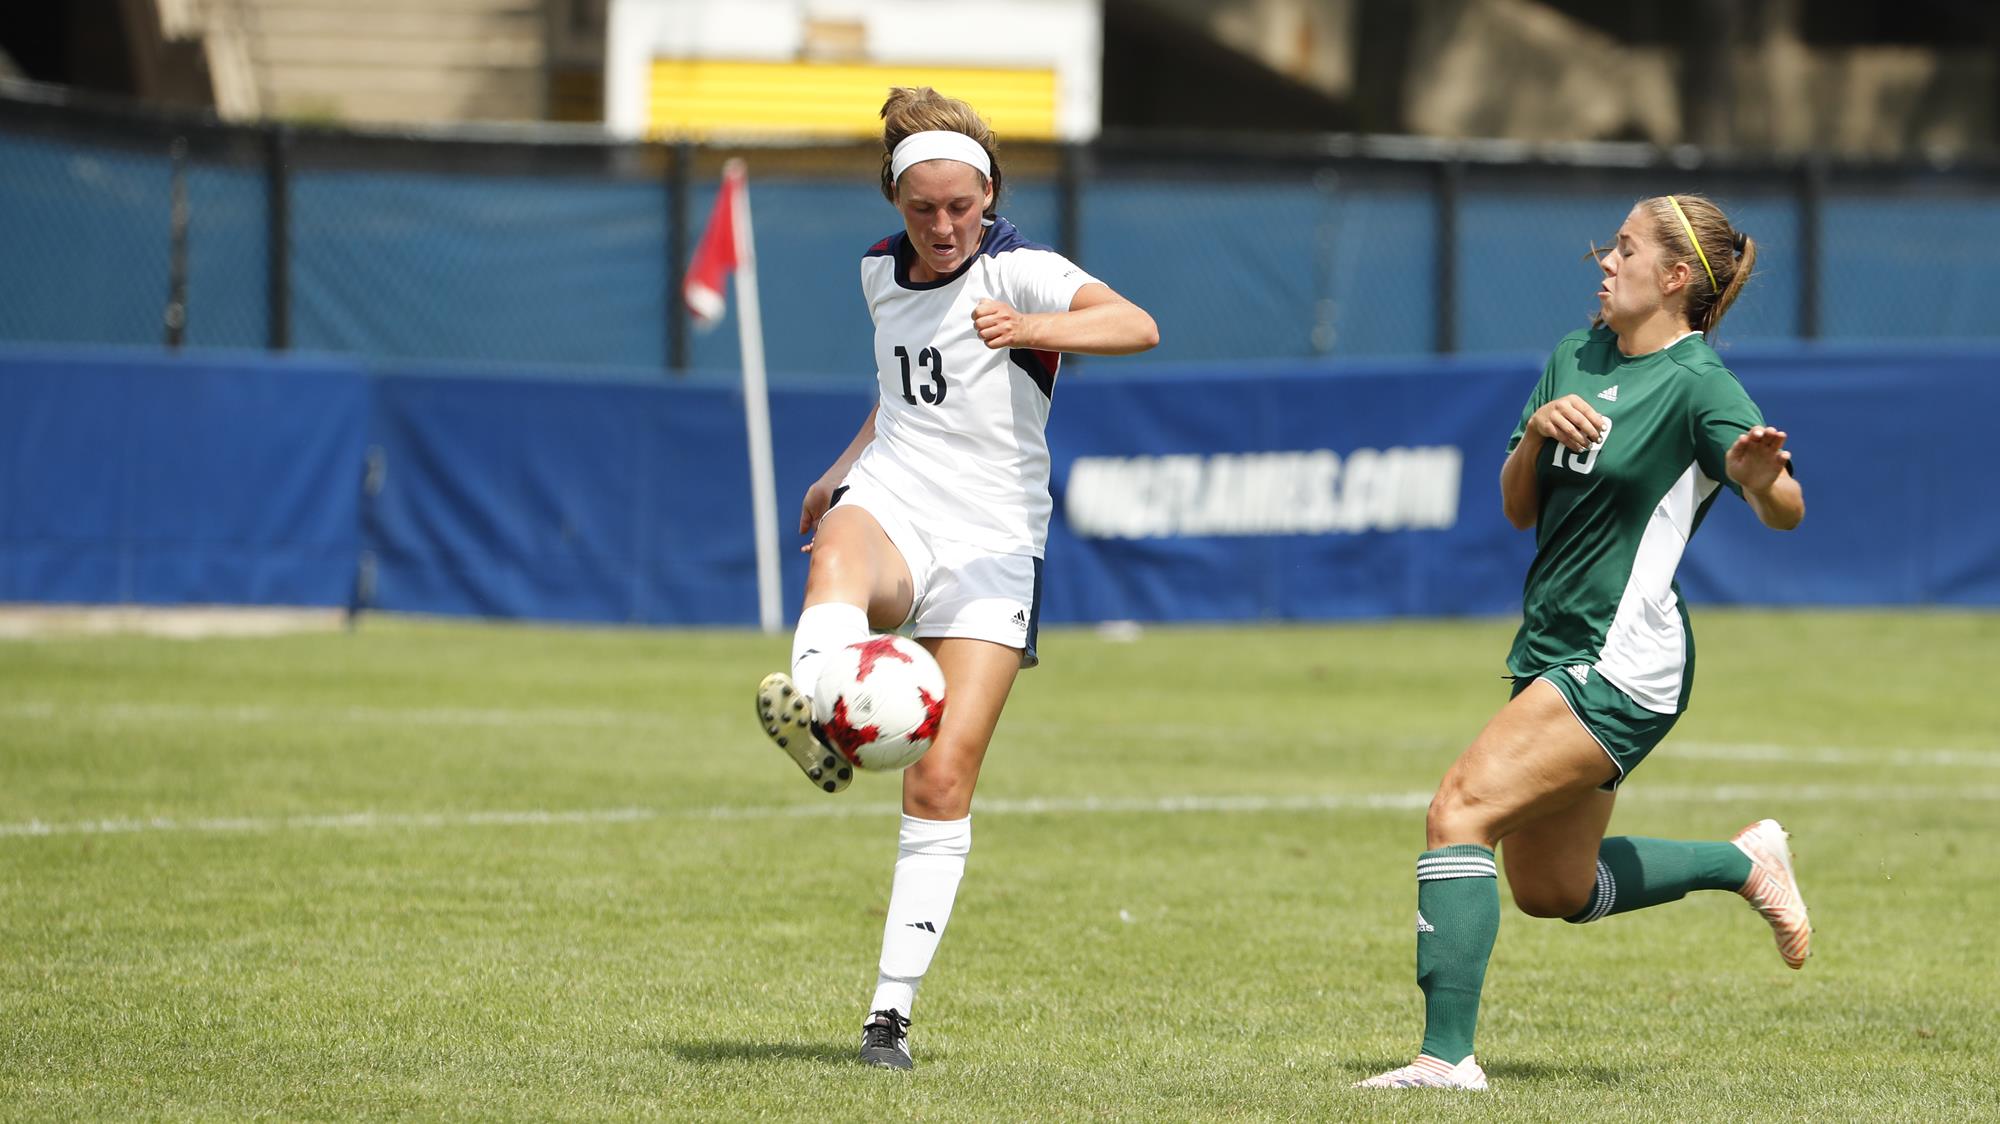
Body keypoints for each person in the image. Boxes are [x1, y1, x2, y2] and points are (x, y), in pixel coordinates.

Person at [1357, 194, 1810, 1092]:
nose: (1604, 260)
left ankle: (1445, 1061)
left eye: (1626, 249)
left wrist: (1762, 481)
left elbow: (1788, 508)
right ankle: (1743, 861)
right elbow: (1516, 507)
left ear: (1674, 277)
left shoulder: (1699, 383)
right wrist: (1533, 433)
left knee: (1458, 811)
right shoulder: (1577, 353)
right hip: (1552, 644)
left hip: (1623, 656)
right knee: (1552, 888)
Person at [752, 87, 1159, 1071]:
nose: (942, 226)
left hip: (992, 539)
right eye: (922, 208)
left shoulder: (1020, 269)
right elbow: (900, 390)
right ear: (896, 204)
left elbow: (1135, 324)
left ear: (989, 196)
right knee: (839, 544)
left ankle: (887, 1016)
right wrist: (839, 470)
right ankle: (819, 706)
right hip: (896, 496)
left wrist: (1030, 327)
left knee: (939, 778)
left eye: (959, 207)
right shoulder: (876, 271)